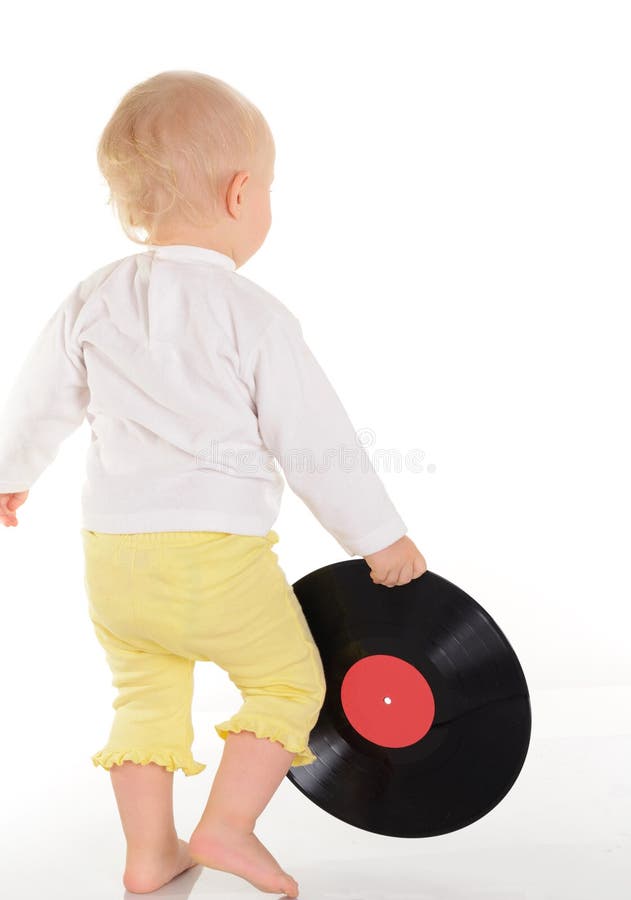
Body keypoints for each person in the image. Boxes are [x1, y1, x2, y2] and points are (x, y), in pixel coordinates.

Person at [0, 70, 427, 897]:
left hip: (114, 560)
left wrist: (7, 477)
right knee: (286, 681)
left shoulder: (93, 297)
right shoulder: (251, 314)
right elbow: (314, 441)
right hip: (214, 558)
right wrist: (379, 540)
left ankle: (151, 853)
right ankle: (227, 825)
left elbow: (36, 403)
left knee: (145, 694)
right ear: (241, 195)